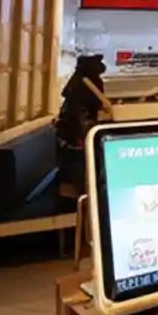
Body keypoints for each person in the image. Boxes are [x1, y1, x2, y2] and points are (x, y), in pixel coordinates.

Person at [55, 54, 112, 207]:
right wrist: (89, 133)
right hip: (76, 146)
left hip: (72, 143)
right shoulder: (85, 85)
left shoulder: (81, 82)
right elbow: (81, 117)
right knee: (85, 177)